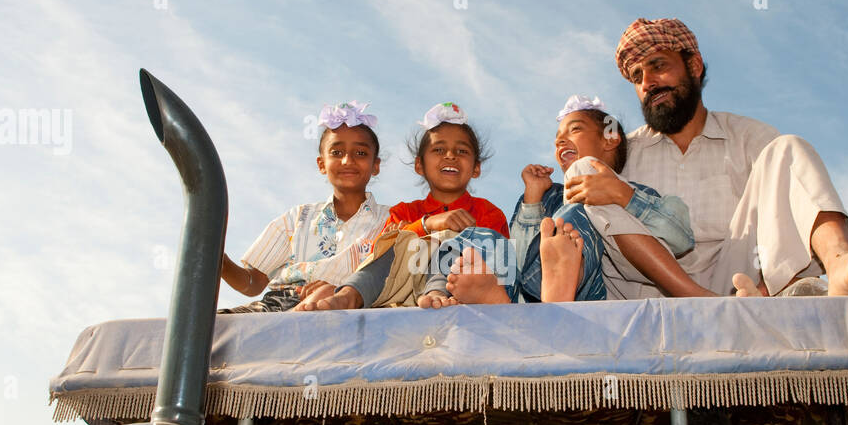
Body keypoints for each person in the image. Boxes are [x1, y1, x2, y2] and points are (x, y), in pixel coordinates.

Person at [590, 17, 848, 299]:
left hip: (736, 283)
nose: (648, 83)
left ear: (694, 66)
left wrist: (763, 282)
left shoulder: (749, 138)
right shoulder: (623, 153)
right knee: (591, 178)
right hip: (649, 290)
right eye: (636, 76)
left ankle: (842, 266)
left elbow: (790, 210)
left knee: (789, 148)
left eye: (658, 65)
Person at [300, 102, 514, 310]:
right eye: (439, 150)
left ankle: (436, 292)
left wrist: (451, 235)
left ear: (476, 168)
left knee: (462, 239)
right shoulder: (405, 212)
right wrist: (428, 224)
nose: (450, 155)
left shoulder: (488, 212)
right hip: (401, 287)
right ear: (419, 165)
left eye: (462, 151)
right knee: (394, 243)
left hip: (454, 288)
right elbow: (376, 253)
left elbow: (499, 260)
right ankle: (349, 295)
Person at [507, 94, 711, 303]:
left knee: (584, 169)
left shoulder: (641, 194)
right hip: (562, 291)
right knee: (573, 200)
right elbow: (518, 263)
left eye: (575, 129)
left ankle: (566, 281)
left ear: (610, 138)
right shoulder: (549, 197)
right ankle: (566, 275)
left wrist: (624, 196)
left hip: (614, 292)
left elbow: (681, 239)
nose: (559, 141)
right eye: (557, 138)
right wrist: (533, 197)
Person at [219, 101, 390, 312]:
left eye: (361, 153)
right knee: (209, 330)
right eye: (336, 153)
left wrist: (341, 292)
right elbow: (252, 284)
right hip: (280, 306)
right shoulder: (297, 218)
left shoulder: (391, 221)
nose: (347, 160)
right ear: (321, 164)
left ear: (376, 166)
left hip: (351, 310)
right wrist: (219, 259)